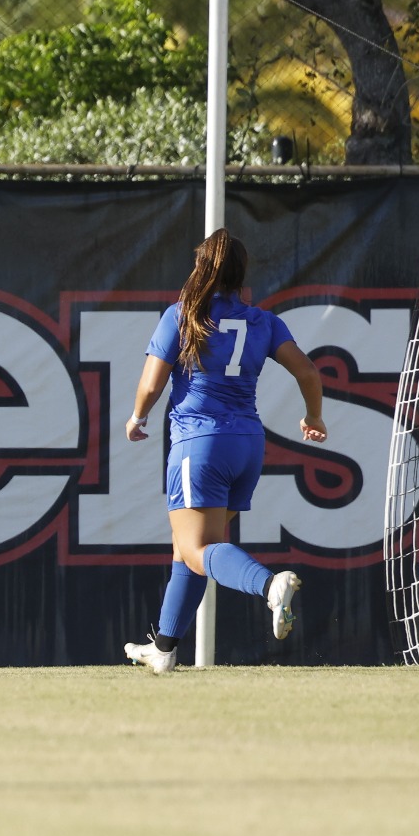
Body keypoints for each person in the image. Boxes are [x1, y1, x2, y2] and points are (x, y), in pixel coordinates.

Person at [122, 228, 324, 674]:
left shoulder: (183, 315)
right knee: (187, 550)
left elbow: (152, 383)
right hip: (248, 446)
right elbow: (308, 372)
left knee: (198, 548)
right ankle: (164, 648)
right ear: (240, 274)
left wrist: (137, 417)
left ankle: (269, 586)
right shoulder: (263, 321)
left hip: (201, 443)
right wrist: (314, 417)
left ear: (201, 268)